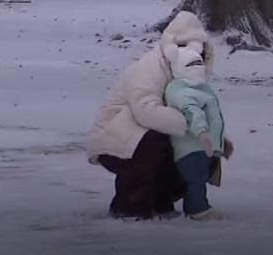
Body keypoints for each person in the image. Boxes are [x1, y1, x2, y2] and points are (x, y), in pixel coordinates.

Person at [86, 11, 231, 219]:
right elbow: (145, 110)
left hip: (151, 134)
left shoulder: (189, 76)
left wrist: (212, 135)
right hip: (114, 137)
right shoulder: (148, 68)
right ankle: (129, 205)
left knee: (197, 151)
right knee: (153, 142)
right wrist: (193, 128)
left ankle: (161, 200)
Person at [164, 38, 230, 221]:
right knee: (196, 178)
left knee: (200, 176)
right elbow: (192, 112)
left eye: (199, 64)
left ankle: (197, 206)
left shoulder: (201, 87)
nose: (197, 68)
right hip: (190, 147)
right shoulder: (180, 91)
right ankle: (197, 210)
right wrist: (202, 133)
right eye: (192, 65)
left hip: (202, 146)